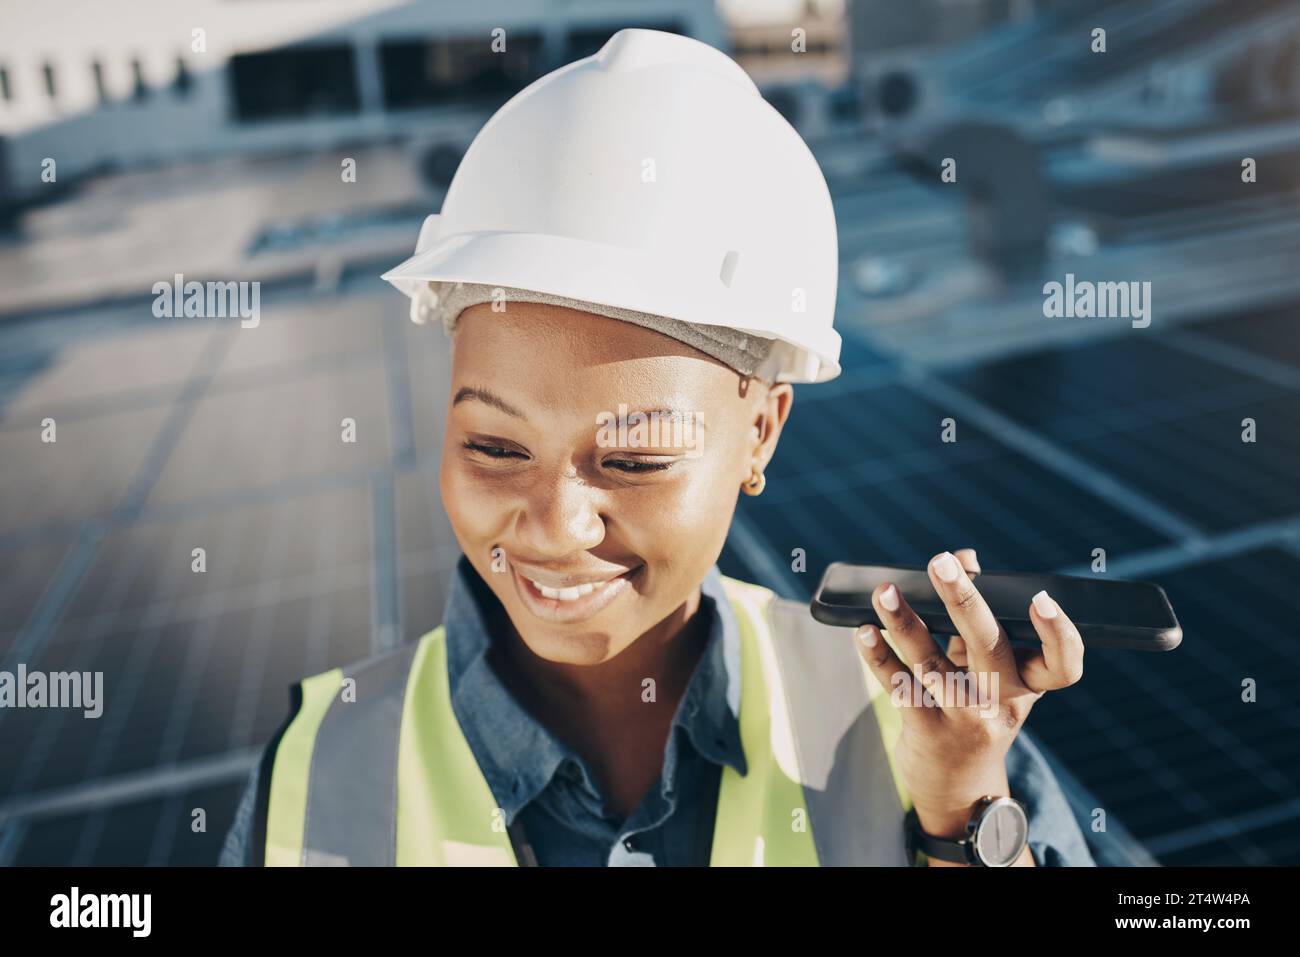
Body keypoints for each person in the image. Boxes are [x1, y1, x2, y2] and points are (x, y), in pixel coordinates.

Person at [220, 28, 1095, 867]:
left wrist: (959, 813)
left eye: (634, 460)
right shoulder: (319, 771)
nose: (556, 527)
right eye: (492, 445)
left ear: (762, 431)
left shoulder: (930, 720)